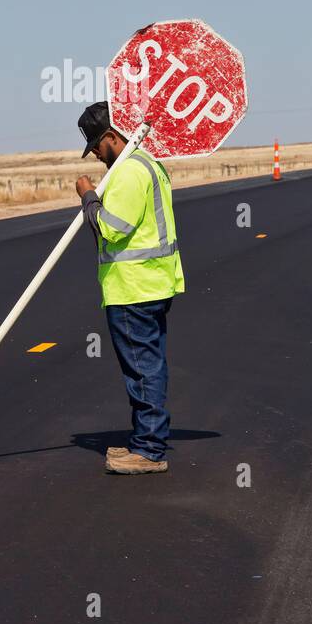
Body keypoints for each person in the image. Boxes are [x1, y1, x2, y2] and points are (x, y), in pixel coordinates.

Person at [75, 101, 184, 474]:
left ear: (110, 136)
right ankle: (143, 441)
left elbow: (111, 228)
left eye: (97, 148)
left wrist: (87, 196)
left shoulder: (129, 172)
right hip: (148, 283)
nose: (96, 157)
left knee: (142, 369)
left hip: (134, 289)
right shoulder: (146, 164)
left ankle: (149, 450)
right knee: (145, 366)